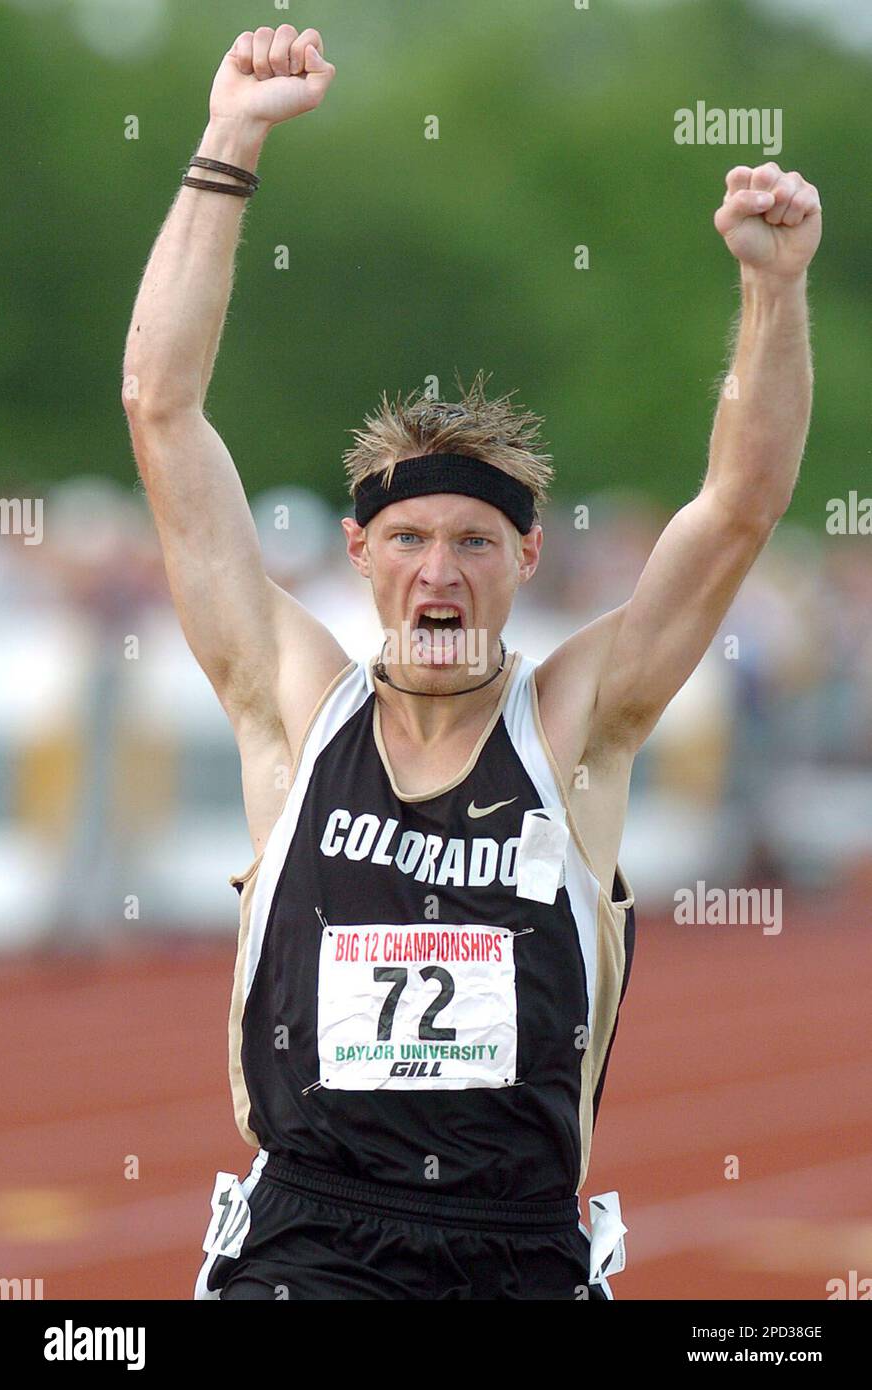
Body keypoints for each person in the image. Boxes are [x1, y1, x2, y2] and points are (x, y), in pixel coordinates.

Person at [121, 24, 822, 1300]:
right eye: (407, 538)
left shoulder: (579, 724)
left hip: (519, 1247)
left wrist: (771, 290)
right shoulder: (292, 706)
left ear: (525, 559)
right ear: (358, 550)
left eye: (473, 542)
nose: (437, 570)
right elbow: (161, 409)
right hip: (308, 1239)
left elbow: (737, 505)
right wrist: (230, 135)